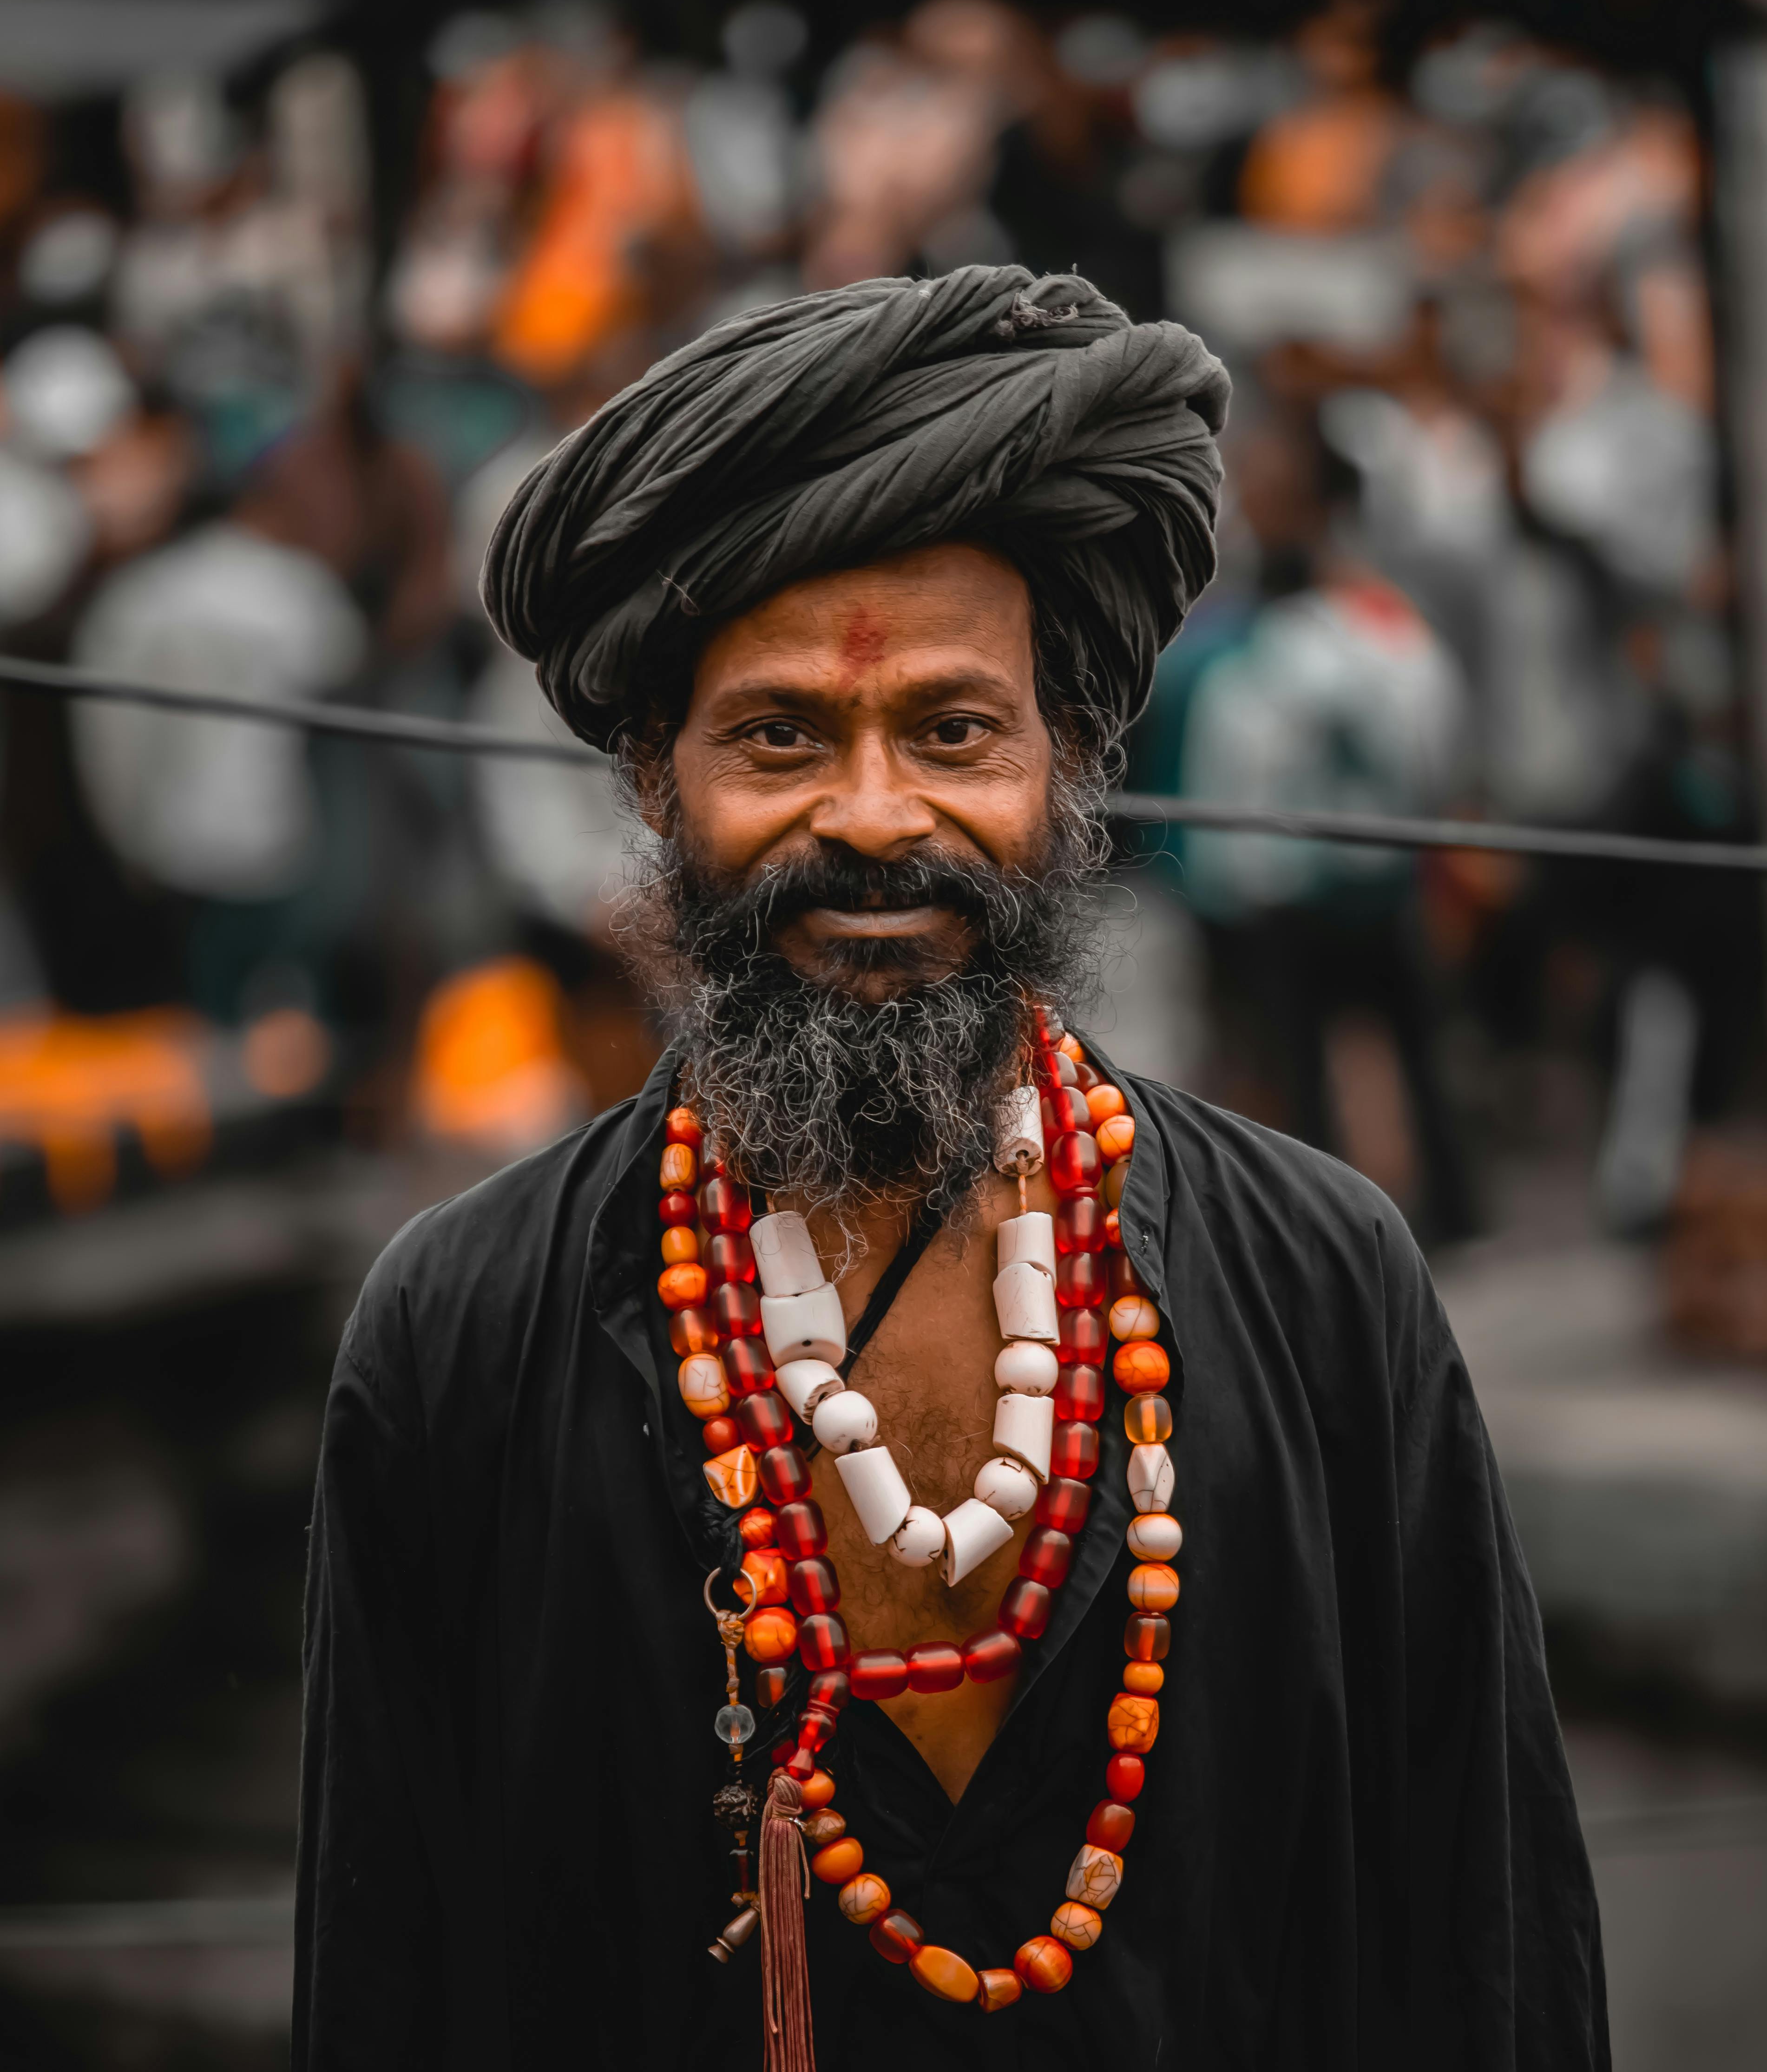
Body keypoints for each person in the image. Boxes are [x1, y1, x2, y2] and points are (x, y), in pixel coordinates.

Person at [294, 266, 1606, 2071]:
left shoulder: (1327, 1288)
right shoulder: (460, 1335)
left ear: (1067, 763)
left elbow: (1488, 1954)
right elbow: (388, 1982)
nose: (876, 816)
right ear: (655, 787)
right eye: (779, 737)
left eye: (952, 730)